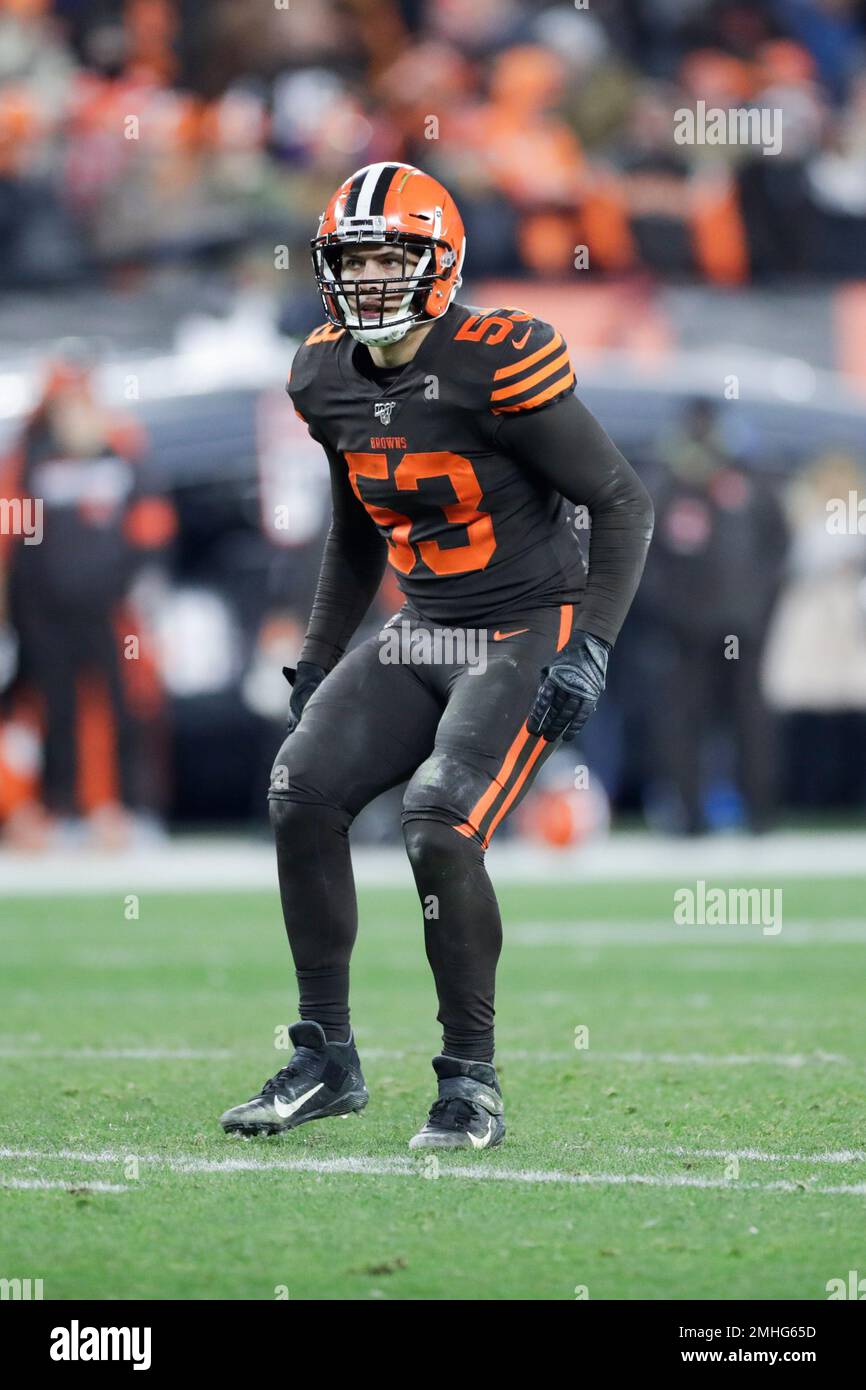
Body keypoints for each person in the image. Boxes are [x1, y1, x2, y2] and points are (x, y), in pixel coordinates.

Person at [220, 162, 653, 1150]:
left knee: (439, 818)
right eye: (351, 260)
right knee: (300, 785)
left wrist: (587, 649)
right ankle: (323, 1054)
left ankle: (469, 1081)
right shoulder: (320, 372)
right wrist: (323, 651)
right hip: (420, 625)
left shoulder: (496, 360)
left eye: (389, 258)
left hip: (522, 625)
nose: (368, 279)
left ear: (439, 261)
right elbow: (354, 524)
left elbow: (621, 500)